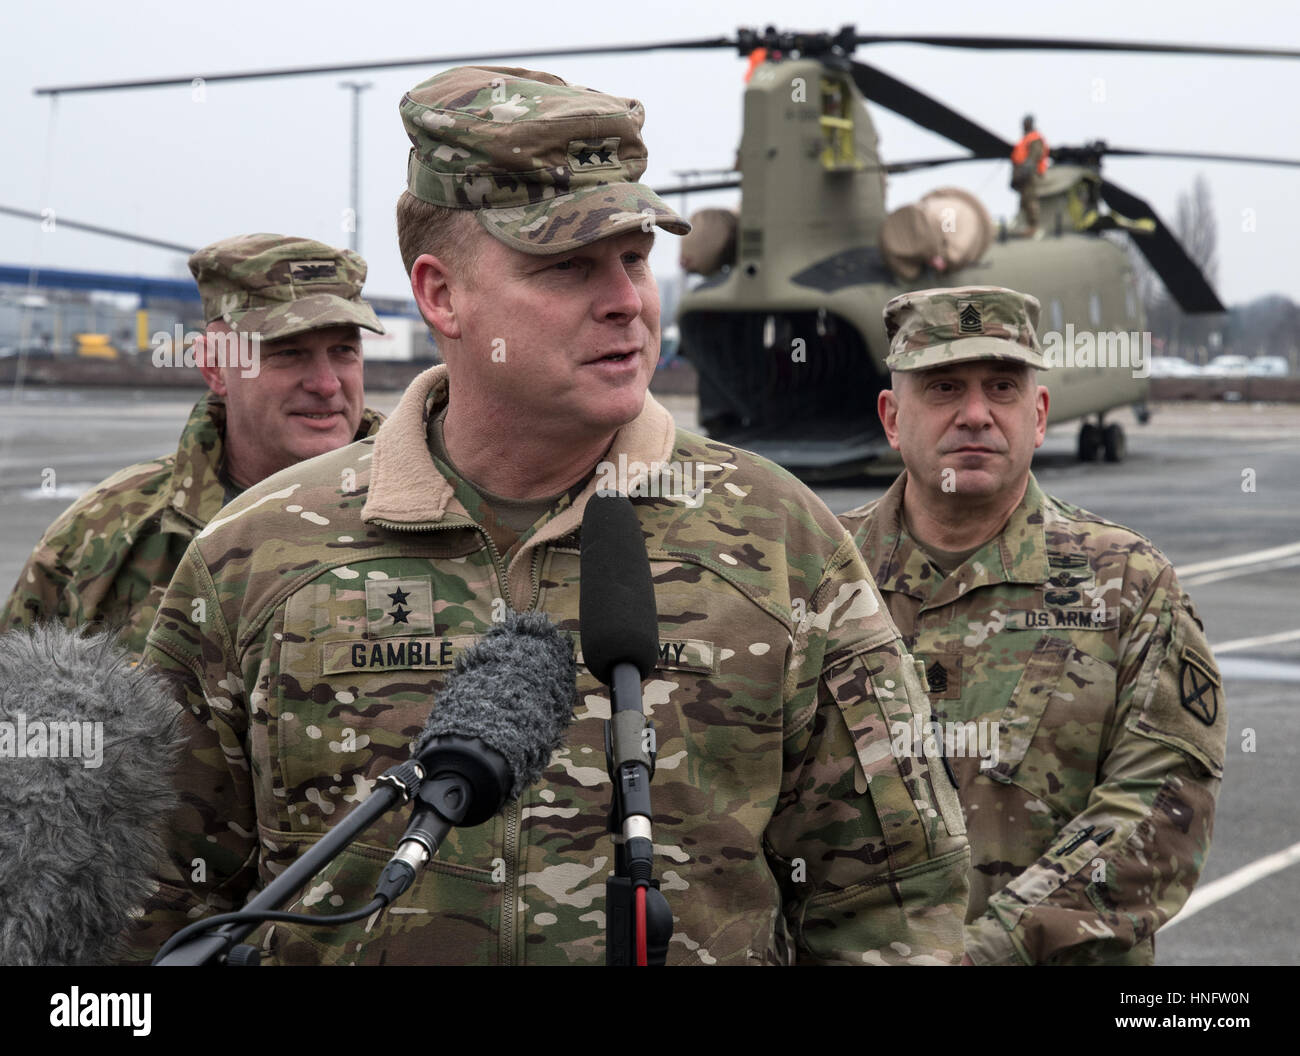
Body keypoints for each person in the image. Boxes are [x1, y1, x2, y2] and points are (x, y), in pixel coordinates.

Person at [121, 66, 970, 966]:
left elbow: (894, 908)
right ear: (442, 294)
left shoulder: (780, 541)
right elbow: (156, 905)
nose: (627, 302)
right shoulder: (258, 554)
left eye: (636, 258)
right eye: (567, 265)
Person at [839, 286, 1226, 965]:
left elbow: (1159, 811)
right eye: (945, 387)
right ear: (892, 417)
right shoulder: (820, 578)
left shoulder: (1130, 586)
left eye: (1003, 388)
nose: (976, 414)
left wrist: (989, 955)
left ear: (1039, 415)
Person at [1, 235, 387, 655]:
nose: (327, 384)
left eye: (344, 350)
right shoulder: (99, 536)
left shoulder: (439, 516)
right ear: (215, 368)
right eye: (288, 352)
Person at [1010, 115, 1049, 236]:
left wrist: (1025, 171)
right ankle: (1025, 225)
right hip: (1024, 176)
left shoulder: (1034, 138)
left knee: (1030, 200)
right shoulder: (1025, 139)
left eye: (1026, 123)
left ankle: (1033, 226)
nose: (1024, 125)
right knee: (1024, 201)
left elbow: (1034, 157)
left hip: (1030, 175)